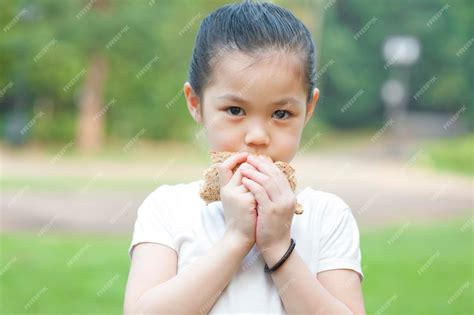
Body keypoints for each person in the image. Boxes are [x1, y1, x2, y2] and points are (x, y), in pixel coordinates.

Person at [124, 1, 365, 313]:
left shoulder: (328, 216)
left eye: (281, 113)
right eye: (235, 111)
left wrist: (278, 246)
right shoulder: (167, 210)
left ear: (308, 109)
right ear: (195, 103)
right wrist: (236, 238)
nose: (257, 137)